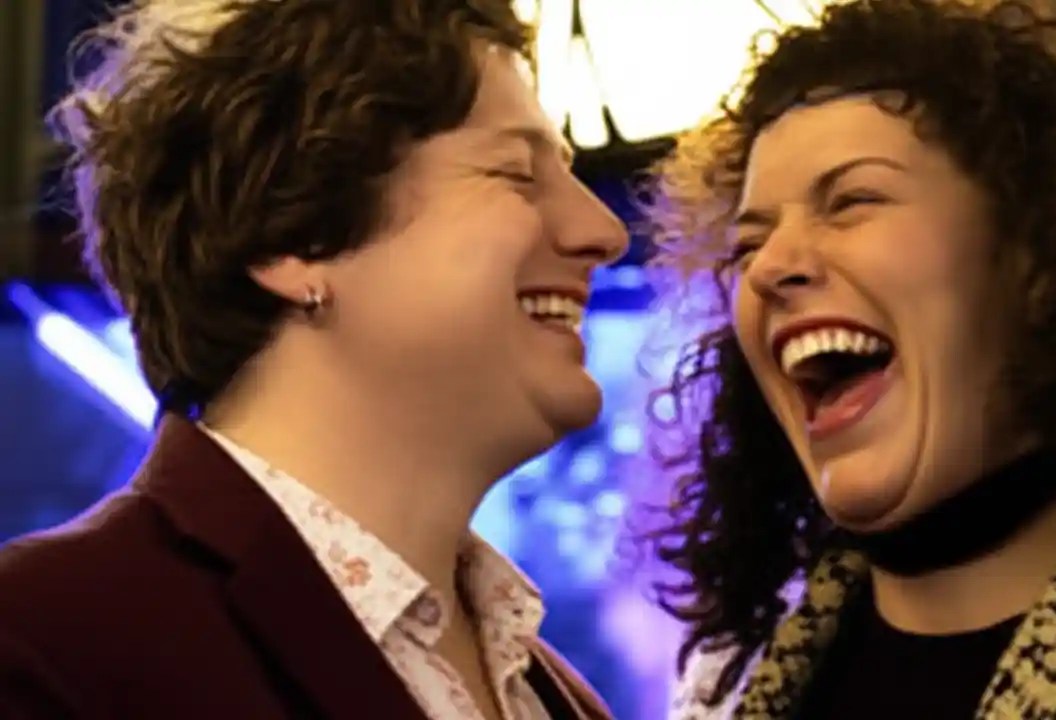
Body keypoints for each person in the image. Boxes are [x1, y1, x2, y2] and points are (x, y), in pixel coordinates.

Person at [640, 0, 1056, 717]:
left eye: (852, 200)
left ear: (1049, 260)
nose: (767, 270)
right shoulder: (730, 691)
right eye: (748, 243)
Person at [0, 0, 628, 718]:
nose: (602, 230)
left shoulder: (558, 695)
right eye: (516, 174)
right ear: (291, 230)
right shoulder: (46, 645)